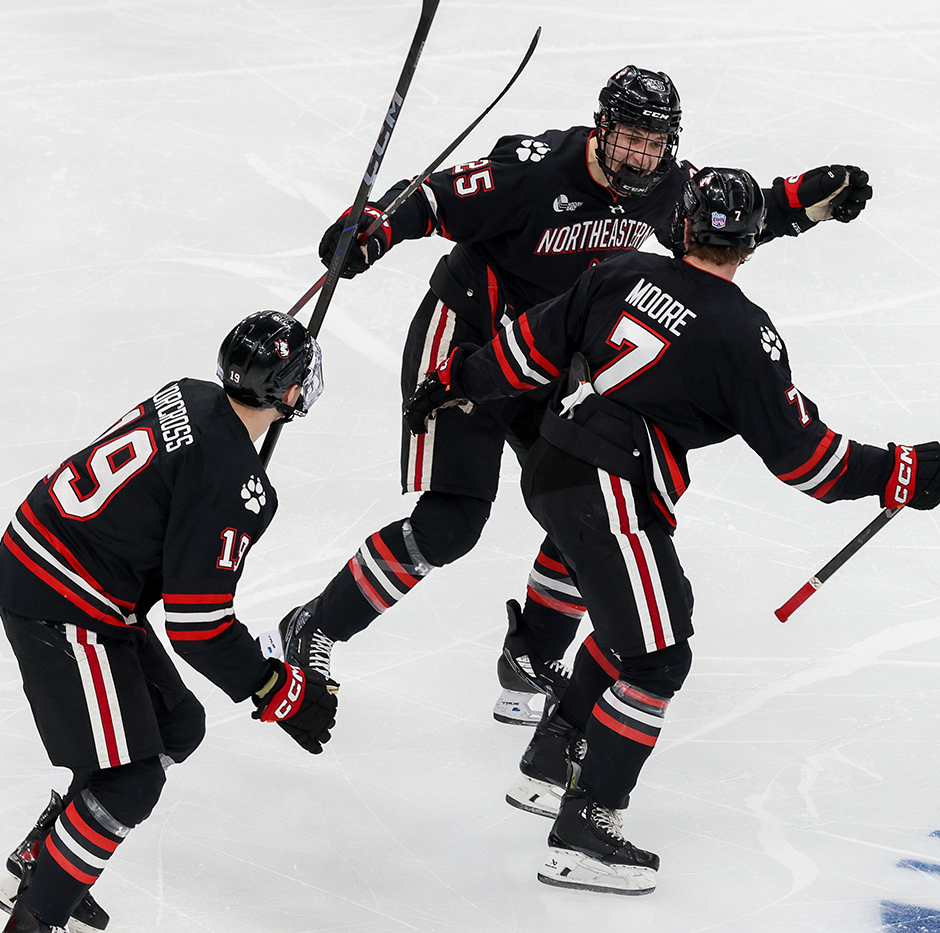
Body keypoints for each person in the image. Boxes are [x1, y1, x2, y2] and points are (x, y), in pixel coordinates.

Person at [402, 167, 940, 894]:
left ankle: (552, 757)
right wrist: (903, 472)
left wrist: (454, 381)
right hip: (608, 486)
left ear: (684, 226)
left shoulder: (620, 274)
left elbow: (525, 352)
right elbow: (809, 463)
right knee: (658, 659)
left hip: (555, 463)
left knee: (651, 619)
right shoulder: (745, 333)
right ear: (752, 240)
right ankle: (585, 829)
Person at [279, 65, 875, 727]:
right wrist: (373, 227)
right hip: (467, 345)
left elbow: (722, 221)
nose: (641, 156)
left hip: (547, 357)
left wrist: (805, 202)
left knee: (588, 499)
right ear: (601, 128)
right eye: (629, 139)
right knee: (451, 523)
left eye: (655, 143)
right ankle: (315, 624)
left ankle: (531, 657)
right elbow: (433, 200)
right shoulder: (533, 171)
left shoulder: (664, 185)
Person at [0, 311, 337, 932]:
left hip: (65, 570)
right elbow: (197, 622)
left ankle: (44, 860)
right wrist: (275, 687)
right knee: (131, 780)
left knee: (176, 724)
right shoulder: (231, 480)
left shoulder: (191, 394)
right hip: (64, 599)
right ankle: (34, 919)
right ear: (289, 390)